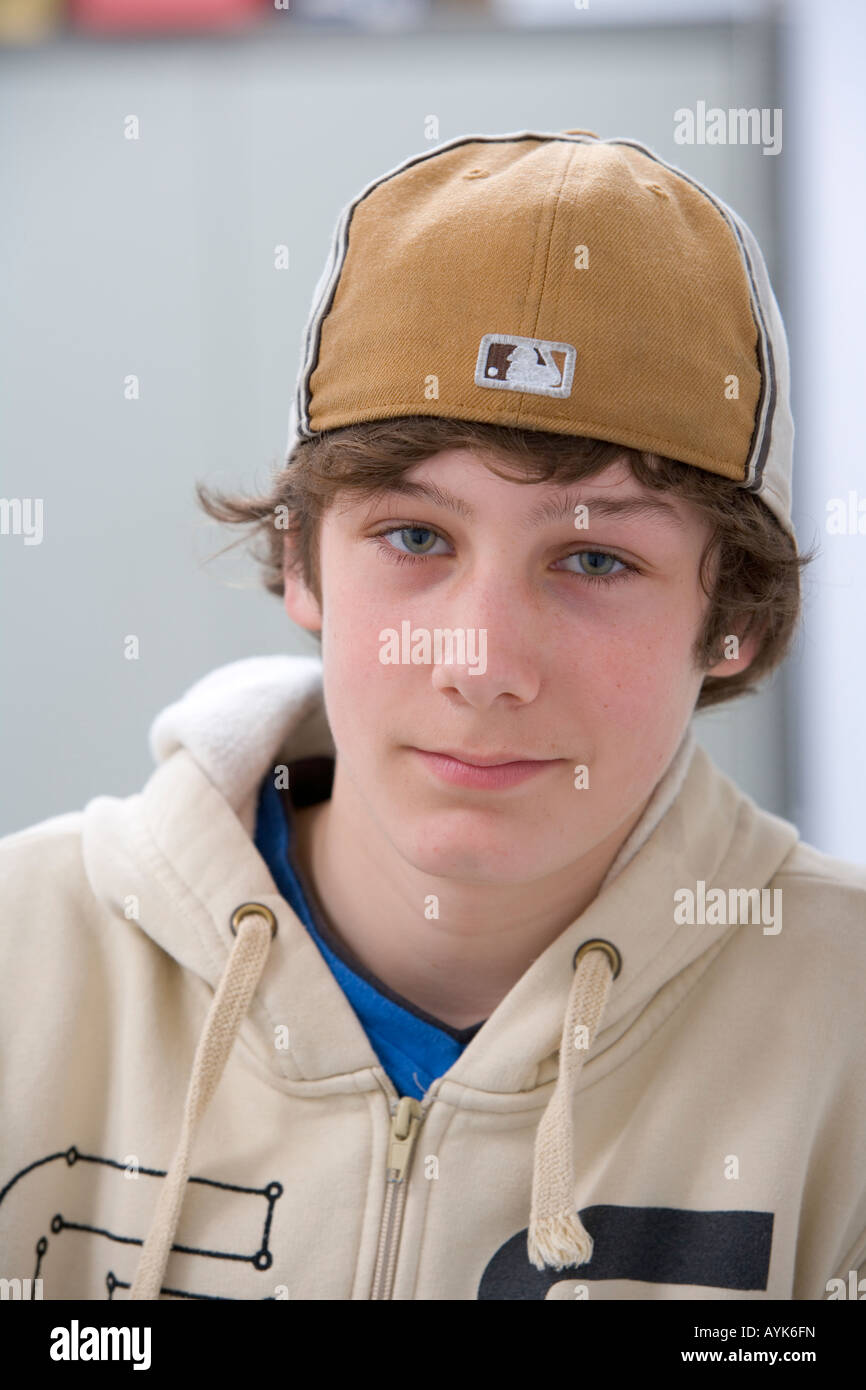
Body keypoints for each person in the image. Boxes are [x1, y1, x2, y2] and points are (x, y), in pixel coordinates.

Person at [1, 128, 864, 1303]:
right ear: (303, 560)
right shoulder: (24, 960)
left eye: (595, 558)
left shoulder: (843, 1034)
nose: (481, 662)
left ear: (733, 620)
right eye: (415, 537)